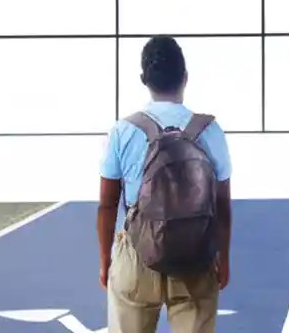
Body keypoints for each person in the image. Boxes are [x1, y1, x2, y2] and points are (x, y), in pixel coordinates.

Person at [97, 36, 233, 333]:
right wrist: (223, 257)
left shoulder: (123, 131)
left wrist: (107, 259)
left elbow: (107, 204)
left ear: (144, 79)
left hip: (136, 255)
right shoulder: (210, 131)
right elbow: (221, 204)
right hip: (195, 256)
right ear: (185, 77)